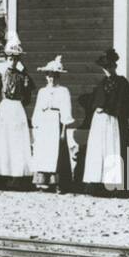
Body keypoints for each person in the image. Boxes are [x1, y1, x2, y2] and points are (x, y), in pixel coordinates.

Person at [80, 48, 129, 193]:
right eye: (105, 68)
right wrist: (97, 107)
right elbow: (93, 100)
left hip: (114, 121)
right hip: (100, 122)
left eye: (110, 66)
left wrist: (108, 109)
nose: (107, 70)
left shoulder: (122, 83)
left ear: (115, 66)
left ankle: (115, 185)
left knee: (114, 149)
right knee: (99, 151)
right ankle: (97, 183)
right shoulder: (102, 83)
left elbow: (124, 103)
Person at [0, 34, 34, 190]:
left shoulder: (22, 75)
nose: (13, 62)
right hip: (5, 108)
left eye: (16, 59)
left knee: (17, 142)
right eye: (10, 59)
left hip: (17, 109)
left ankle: (17, 178)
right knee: (3, 141)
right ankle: (0, 176)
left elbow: (28, 96)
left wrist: (25, 74)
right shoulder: (1, 73)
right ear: (6, 59)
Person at [31, 56, 76, 192]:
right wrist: (36, 126)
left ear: (58, 77)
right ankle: (44, 181)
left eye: (55, 76)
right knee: (44, 150)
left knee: (57, 151)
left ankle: (59, 183)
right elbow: (38, 109)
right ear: (46, 76)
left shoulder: (63, 91)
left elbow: (66, 112)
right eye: (49, 75)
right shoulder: (42, 92)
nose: (52, 78)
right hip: (44, 121)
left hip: (56, 122)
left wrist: (63, 131)